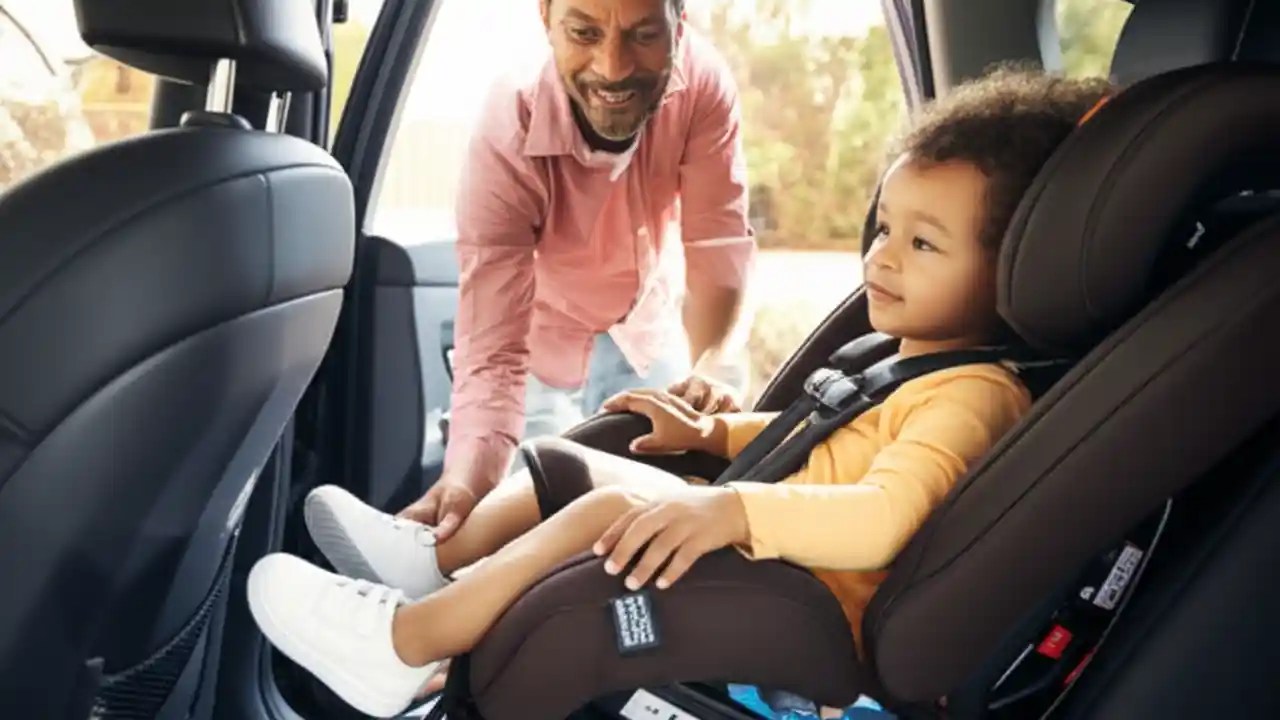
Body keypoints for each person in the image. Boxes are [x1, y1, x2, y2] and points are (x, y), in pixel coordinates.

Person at [246, 68, 1113, 718]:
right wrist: (711, 429)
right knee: (561, 461)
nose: (882, 257)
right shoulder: (910, 359)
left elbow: (885, 513)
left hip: (816, 592)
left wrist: (731, 510)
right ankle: (436, 564)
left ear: (1015, 273)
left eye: (924, 246)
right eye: (884, 227)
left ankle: (404, 646)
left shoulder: (974, 395)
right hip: (777, 542)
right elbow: (822, 435)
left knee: (601, 511)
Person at [406, 0, 758, 544]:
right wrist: (464, 478)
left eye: (643, 34)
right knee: (529, 511)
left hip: (645, 328)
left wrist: (711, 367)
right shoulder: (509, 123)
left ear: (678, 20)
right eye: (584, 32)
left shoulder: (703, 84)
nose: (613, 67)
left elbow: (718, 243)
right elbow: (494, 338)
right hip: (539, 345)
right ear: (545, 17)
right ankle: (427, 580)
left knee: (657, 506)